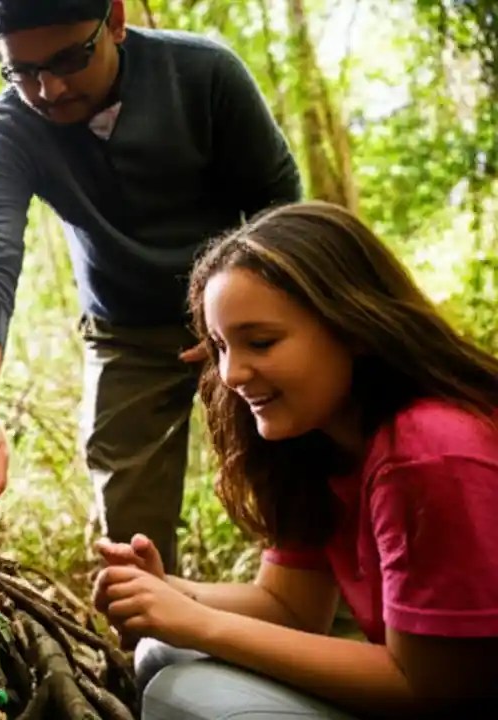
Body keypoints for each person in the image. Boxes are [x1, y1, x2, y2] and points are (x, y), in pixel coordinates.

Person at [93, 201, 498, 718]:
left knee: (185, 694)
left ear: (352, 325)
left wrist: (196, 621)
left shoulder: (430, 451)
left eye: (260, 342)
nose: (232, 373)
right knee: (162, 651)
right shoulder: (319, 444)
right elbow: (290, 607)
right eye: (219, 346)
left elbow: (430, 689)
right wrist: (165, 592)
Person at [0, 0, 301, 570]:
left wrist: (241, 328)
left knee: (300, 468)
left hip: (246, 313)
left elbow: (280, 206)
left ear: (116, 21)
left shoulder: (204, 73)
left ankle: (335, 629)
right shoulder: (9, 132)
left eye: (68, 60)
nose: (49, 89)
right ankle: (156, 648)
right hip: (125, 329)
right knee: (131, 518)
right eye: (23, 71)